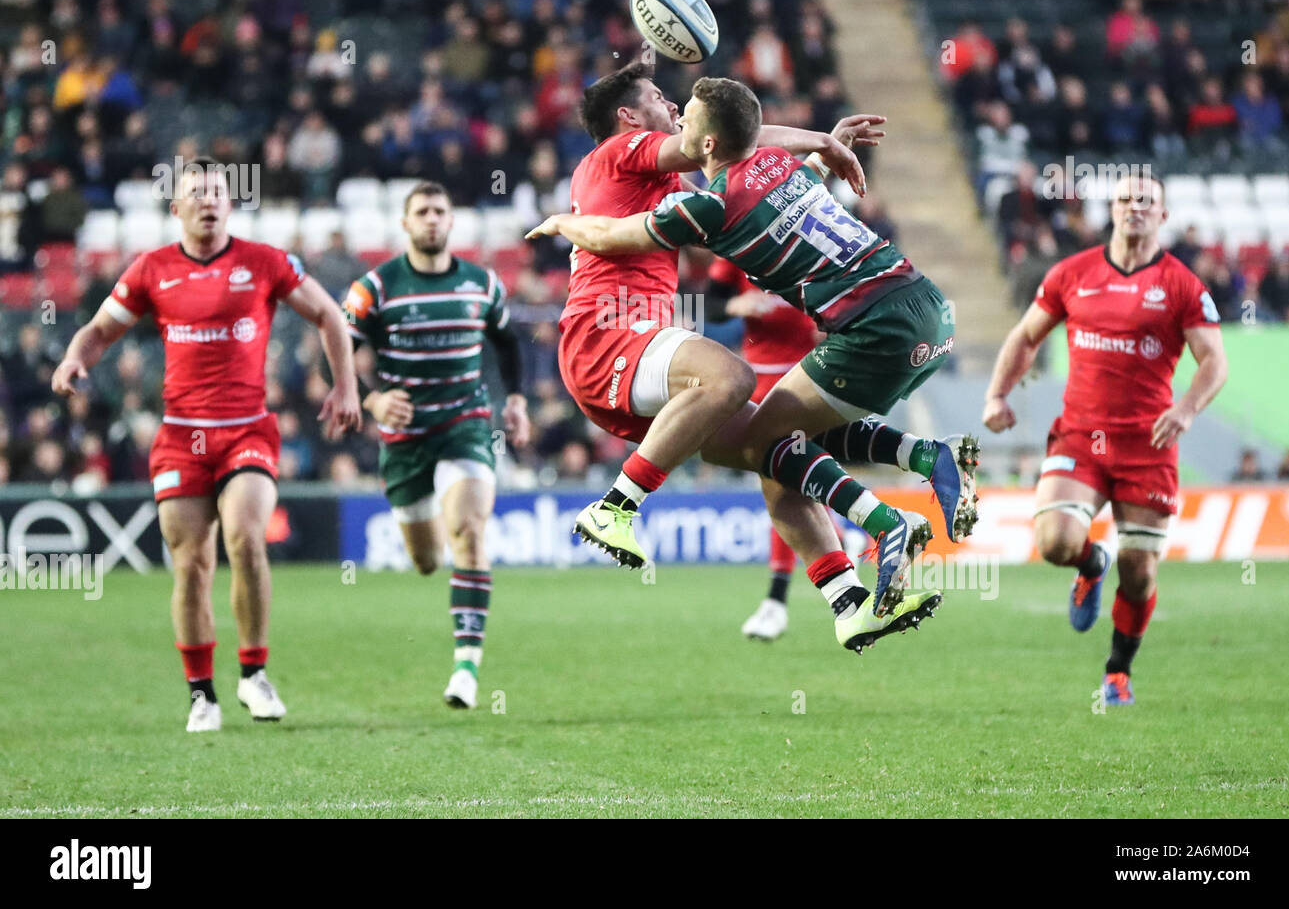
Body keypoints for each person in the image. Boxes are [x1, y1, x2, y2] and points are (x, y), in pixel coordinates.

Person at [529, 73, 978, 648]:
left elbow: (735, 139)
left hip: (652, 341)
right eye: (659, 100)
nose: (673, 106)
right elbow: (636, 214)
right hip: (608, 336)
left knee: (769, 452)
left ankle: (851, 598)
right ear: (629, 119)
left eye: (682, 106)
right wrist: (818, 141)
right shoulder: (622, 152)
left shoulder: (707, 192)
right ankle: (616, 506)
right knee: (735, 380)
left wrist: (818, 141)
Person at [51, 159, 362, 732]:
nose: (209, 201)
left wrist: (346, 386)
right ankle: (202, 694)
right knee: (191, 564)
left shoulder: (263, 262)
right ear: (176, 208)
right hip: (179, 436)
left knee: (245, 537)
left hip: (246, 428)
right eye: (197, 194)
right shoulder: (152, 271)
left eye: (218, 192)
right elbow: (99, 330)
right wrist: (74, 357)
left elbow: (330, 317)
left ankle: (253, 673)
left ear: (231, 202)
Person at [982, 173, 1228, 707]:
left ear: (1163, 215)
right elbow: (1026, 336)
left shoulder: (1183, 285)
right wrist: (998, 394)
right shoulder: (1074, 273)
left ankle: (1118, 671)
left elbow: (1215, 361)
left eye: (1147, 201)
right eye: (1124, 199)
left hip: (1148, 443)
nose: (1134, 207)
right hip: (1081, 436)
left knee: (1140, 573)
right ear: (1110, 210)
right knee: (1054, 543)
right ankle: (1092, 563)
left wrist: (1186, 409)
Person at [342, 182, 531, 710]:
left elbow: (508, 341)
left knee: (469, 531)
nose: (431, 219)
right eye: (421, 212)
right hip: (404, 441)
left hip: (466, 424)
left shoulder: (482, 284)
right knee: (426, 560)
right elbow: (335, 357)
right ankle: (447, 551)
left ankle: (466, 668)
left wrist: (514, 399)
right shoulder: (375, 288)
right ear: (404, 223)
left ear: (452, 222)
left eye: (440, 211)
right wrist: (374, 402)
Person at [706, 256, 822, 641]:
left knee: (782, 484)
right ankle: (849, 531)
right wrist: (732, 306)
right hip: (756, 383)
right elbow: (707, 303)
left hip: (804, 379)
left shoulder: (811, 246)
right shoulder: (736, 249)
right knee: (789, 484)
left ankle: (776, 601)